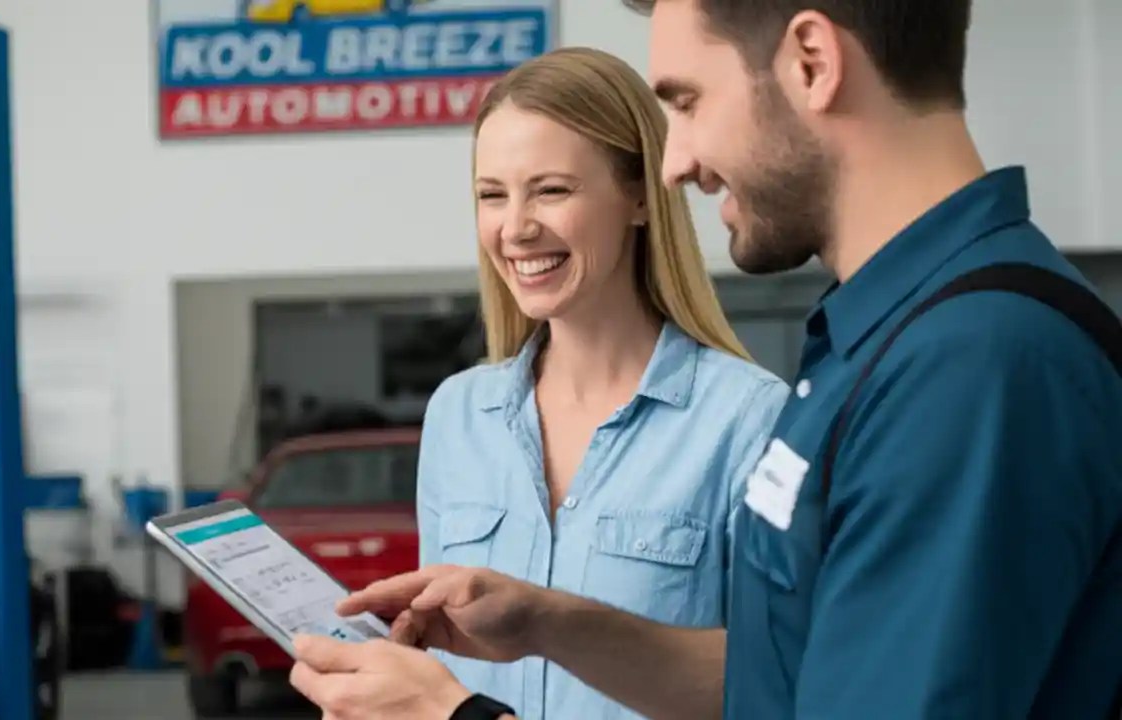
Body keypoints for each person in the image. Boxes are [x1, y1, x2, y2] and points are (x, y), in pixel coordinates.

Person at [288, 0, 1122, 718]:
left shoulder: (971, 367)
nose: (678, 161)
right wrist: (549, 623)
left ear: (811, 61)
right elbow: (784, 681)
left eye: (687, 102)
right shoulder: (866, 351)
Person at [412, 45, 792, 719]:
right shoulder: (457, 415)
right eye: (492, 195)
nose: (517, 227)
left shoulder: (747, 421)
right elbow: (439, 670)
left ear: (641, 197)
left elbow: (777, 683)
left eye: (552, 190)